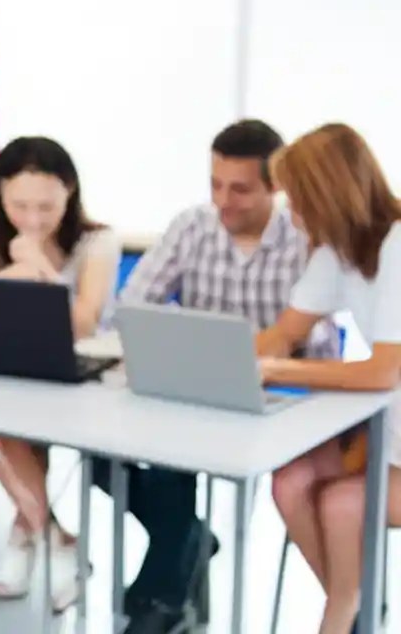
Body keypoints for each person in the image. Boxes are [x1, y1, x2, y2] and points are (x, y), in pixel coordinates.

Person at [110, 119, 341, 633]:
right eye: (215, 184)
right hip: (196, 393)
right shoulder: (192, 226)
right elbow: (133, 305)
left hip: (286, 400)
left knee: (187, 471)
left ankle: (162, 598)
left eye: (239, 189)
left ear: (275, 187)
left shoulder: (307, 238)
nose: (222, 201)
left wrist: (264, 361)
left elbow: (317, 340)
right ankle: (183, 553)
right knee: (115, 456)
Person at [0, 136, 120, 611]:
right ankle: (54, 538)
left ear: (70, 192)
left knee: (9, 433)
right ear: (0, 197)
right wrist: (3, 276)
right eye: (19, 206)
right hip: (16, 371)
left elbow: (83, 322)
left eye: (46, 207)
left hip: (86, 380)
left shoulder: (97, 241)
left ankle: (27, 537)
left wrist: (39, 267)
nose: (32, 220)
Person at [257, 123, 401, 634]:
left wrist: (281, 370)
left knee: (341, 505)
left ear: (327, 196)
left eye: (297, 201)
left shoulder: (399, 246)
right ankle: (356, 612)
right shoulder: (337, 251)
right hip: (388, 438)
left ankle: (343, 613)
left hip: (393, 437)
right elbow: (283, 334)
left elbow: (384, 371)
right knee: (290, 482)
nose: (292, 215)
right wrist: (224, 362)